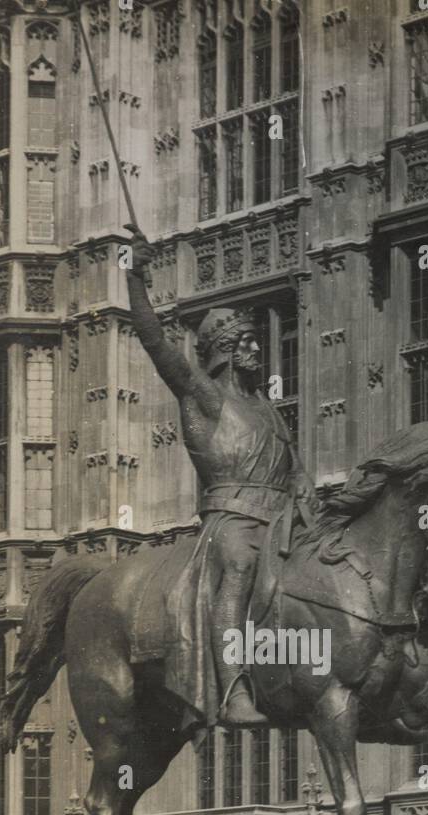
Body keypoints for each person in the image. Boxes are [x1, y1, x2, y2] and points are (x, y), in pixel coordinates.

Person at [125, 224, 317, 727]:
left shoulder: (267, 408)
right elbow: (155, 342)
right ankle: (233, 691)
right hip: (232, 522)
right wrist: (134, 275)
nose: (259, 352)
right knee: (237, 570)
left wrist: (301, 482)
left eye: (257, 342)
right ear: (226, 350)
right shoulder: (206, 397)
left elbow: (293, 466)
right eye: (249, 343)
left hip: (283, 520)